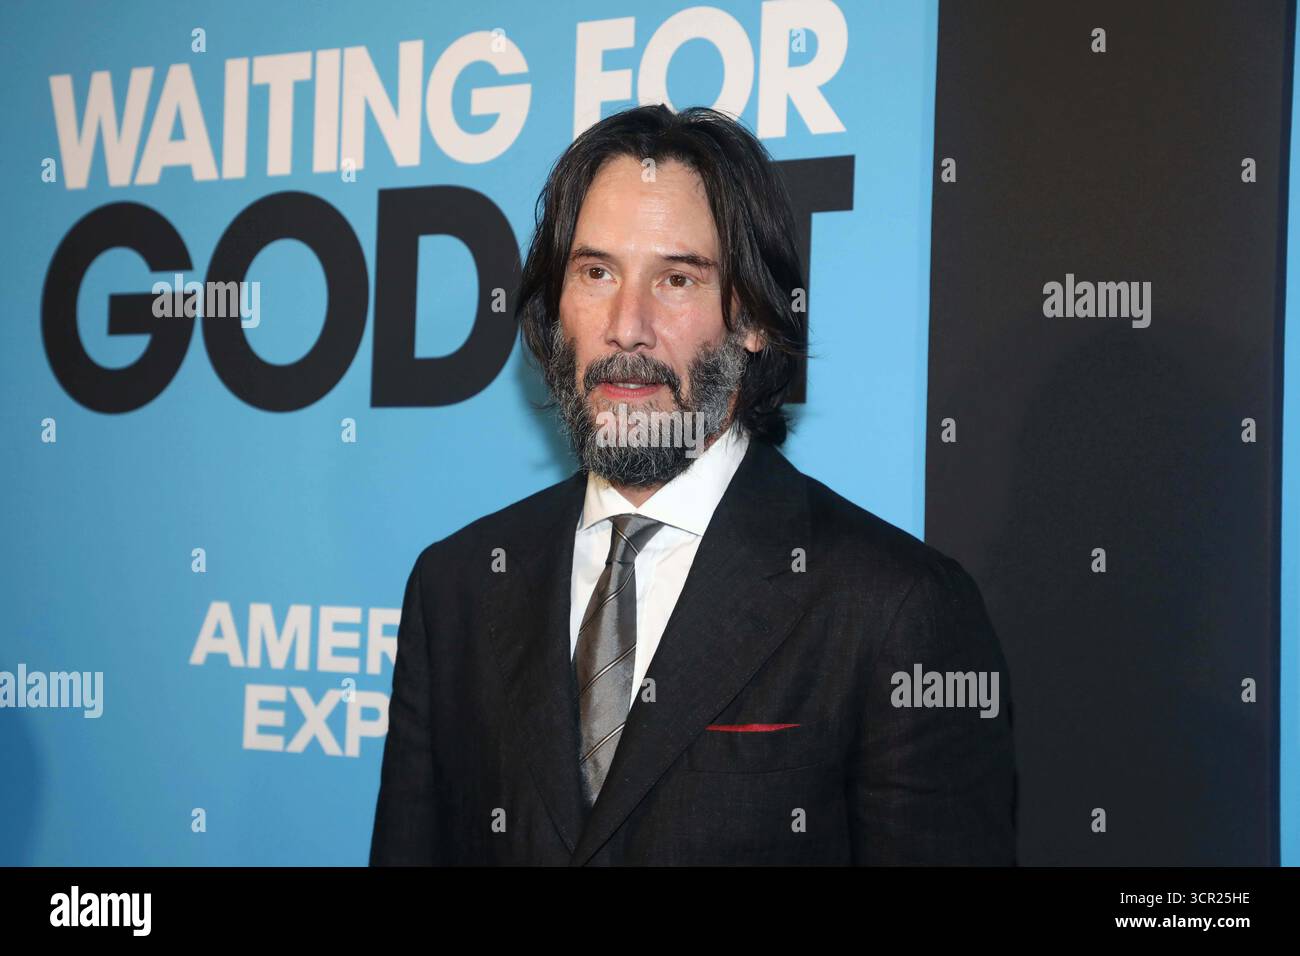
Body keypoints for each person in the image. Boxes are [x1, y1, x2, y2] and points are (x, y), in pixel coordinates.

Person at [369, 104, 1016, 865]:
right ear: (556, 309)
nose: (627, 325)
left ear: (752, 319)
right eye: (596, 272)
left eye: (676, 278)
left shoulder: (893, 608)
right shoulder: (458, 586)